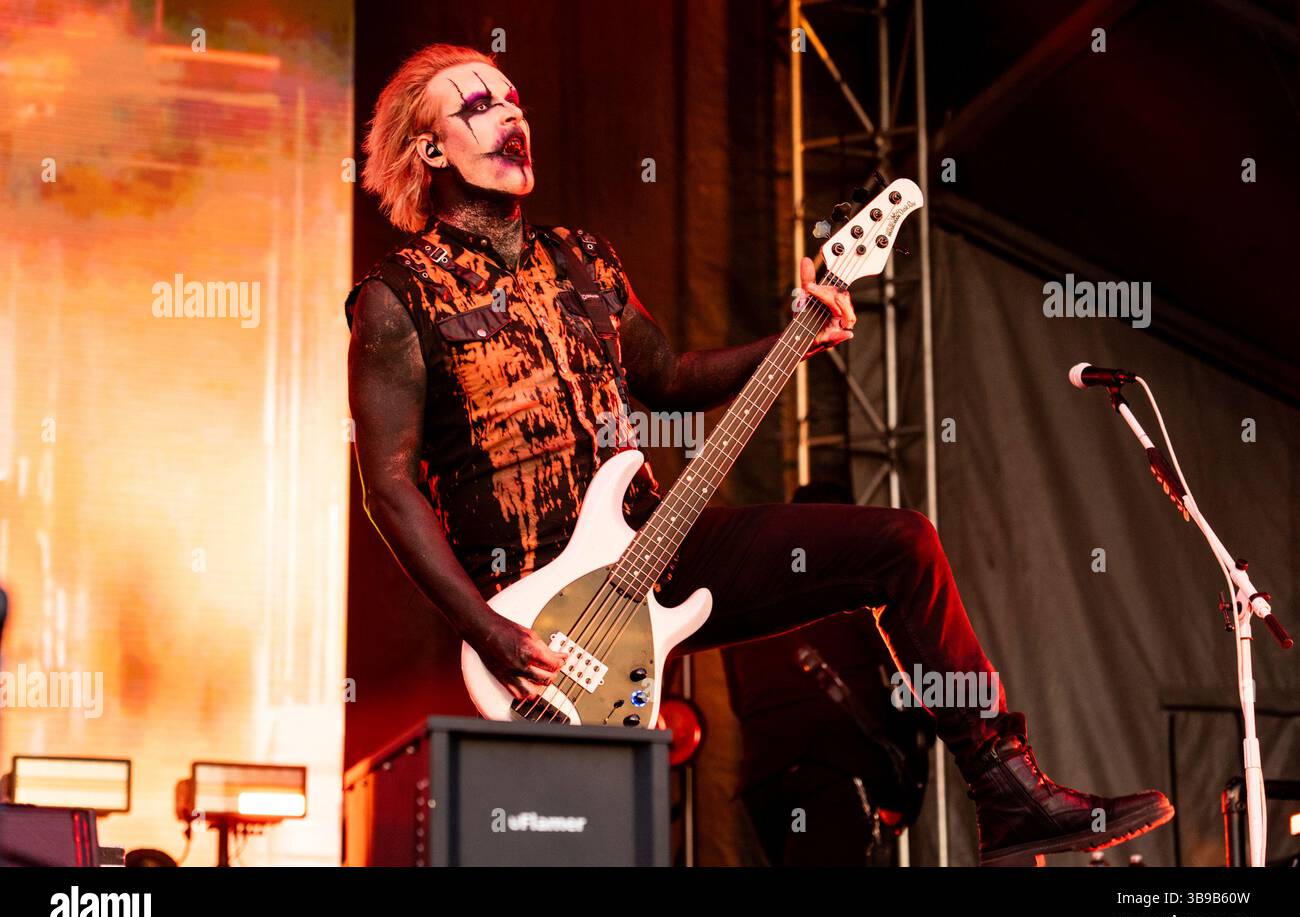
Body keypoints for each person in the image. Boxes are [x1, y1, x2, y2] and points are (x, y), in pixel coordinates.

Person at [345, 43, 1174, 865]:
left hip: (650, 546)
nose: (512, 115)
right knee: (580, 832)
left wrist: (799, 335)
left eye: (514, 97)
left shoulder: (583, 261)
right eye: (479, 106)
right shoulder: (396, 296)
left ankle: (1005, 785)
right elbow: (388, 486)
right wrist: (485, 628)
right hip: (538, 607)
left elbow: (668, 376)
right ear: (430, 148)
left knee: (901, 543)